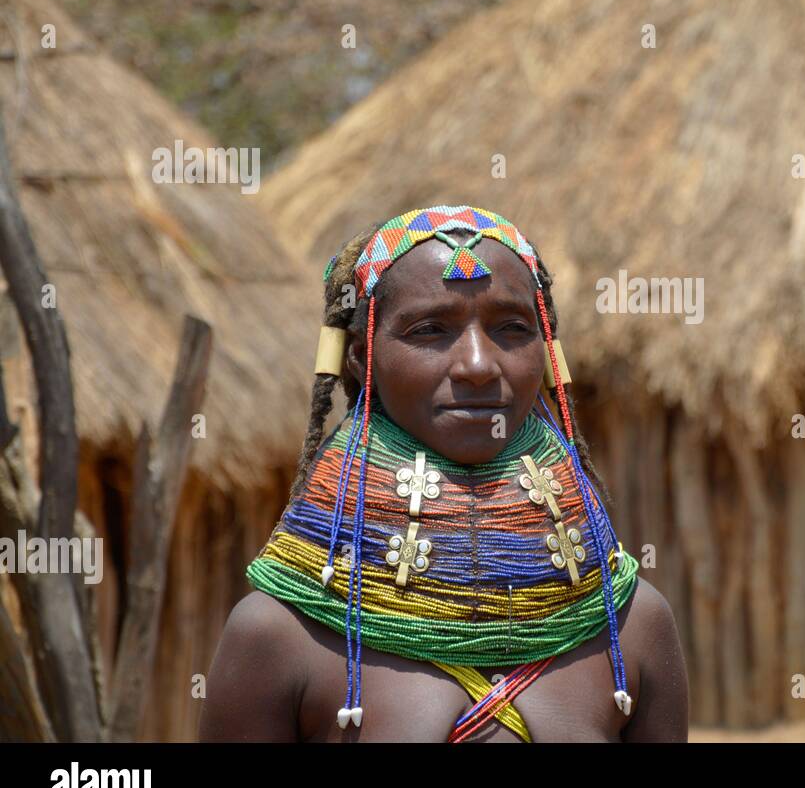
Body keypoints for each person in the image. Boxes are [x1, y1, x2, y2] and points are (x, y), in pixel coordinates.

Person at [199, 205, 689, 742]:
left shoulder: (631, 625)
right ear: (363, 359)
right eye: (430, 330)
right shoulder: (279, 637)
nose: (478, 365)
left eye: (512, 328)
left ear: (546, 352)